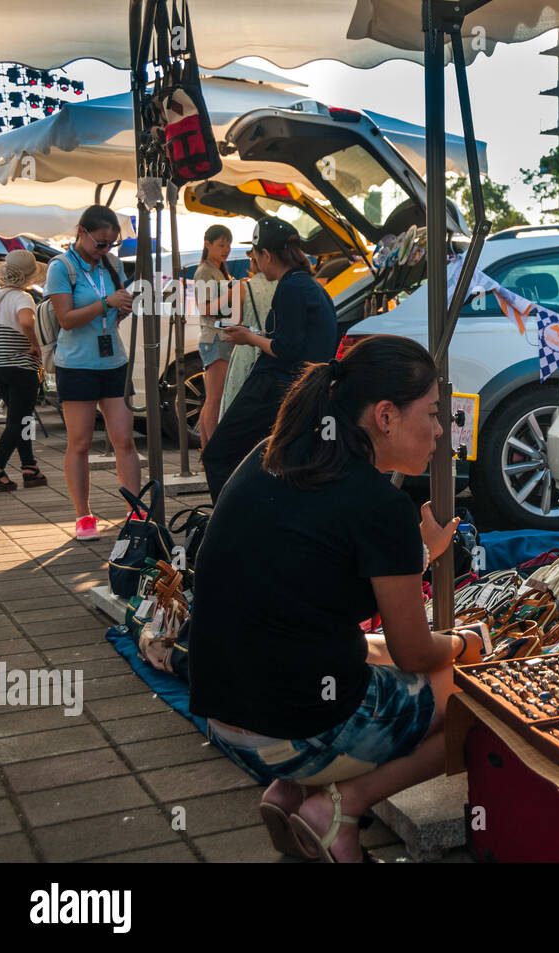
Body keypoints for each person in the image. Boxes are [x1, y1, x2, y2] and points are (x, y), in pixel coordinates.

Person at [189, 335, 480, 863]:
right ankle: (341, 811)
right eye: (434, 414)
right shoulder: (379, 504)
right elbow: (416, 653)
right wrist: (465, 642)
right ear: (386, 416)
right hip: (294, 731)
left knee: (368, 648)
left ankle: (291, 794)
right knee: (476, 701)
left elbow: (316, 566)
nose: (442, 430)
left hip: (222, 715)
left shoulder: (273, 454)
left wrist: (417, 554)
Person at [201, 217, 336, 503]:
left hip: (277, 386)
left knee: (218, 455)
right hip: (303, 389)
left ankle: (232, 524)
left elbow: (287, 348)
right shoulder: (310, 286)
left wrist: (249, 338)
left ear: (267, 255)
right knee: (270, 461)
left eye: (255, 254)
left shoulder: (291, 288)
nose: (255, 261)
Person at [46, 205, 139, 540]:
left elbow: (115, 308)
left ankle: (136, 510)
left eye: (111, 245)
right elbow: (66, 319)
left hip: (113, 360)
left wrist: (122, 308)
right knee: (81, 442)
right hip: (76, 364)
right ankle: (84, 516)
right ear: (81, 232)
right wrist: (107, 304)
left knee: (124, 438)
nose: (105, 250)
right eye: (100, 243)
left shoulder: (111, 265)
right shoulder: (61, 267)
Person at [0, 250, 48, 491]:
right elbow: (27, 322)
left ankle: (30, 467)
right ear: (28, 277)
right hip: (21, 366)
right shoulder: (22, 298)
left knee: (21, 417)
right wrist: (33, 344)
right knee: (19, 419)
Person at [218, 253, 275, 419]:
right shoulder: (283, 284)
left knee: (238, 404)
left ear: (254, 261)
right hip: (272, 346)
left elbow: (235, 322)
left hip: (247, 349)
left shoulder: (243, 287)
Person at [194, 224, 234, 447]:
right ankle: (212, 451)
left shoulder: (218, 270)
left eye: (228, 244)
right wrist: (232, 293)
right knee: (215, 400)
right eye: (221, 244)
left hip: (221, 338)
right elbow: (204, 308)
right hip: (214, 339)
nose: (226, 249)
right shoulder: (205, 272)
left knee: (213, 399)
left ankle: (205, 451)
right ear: (207, 244)